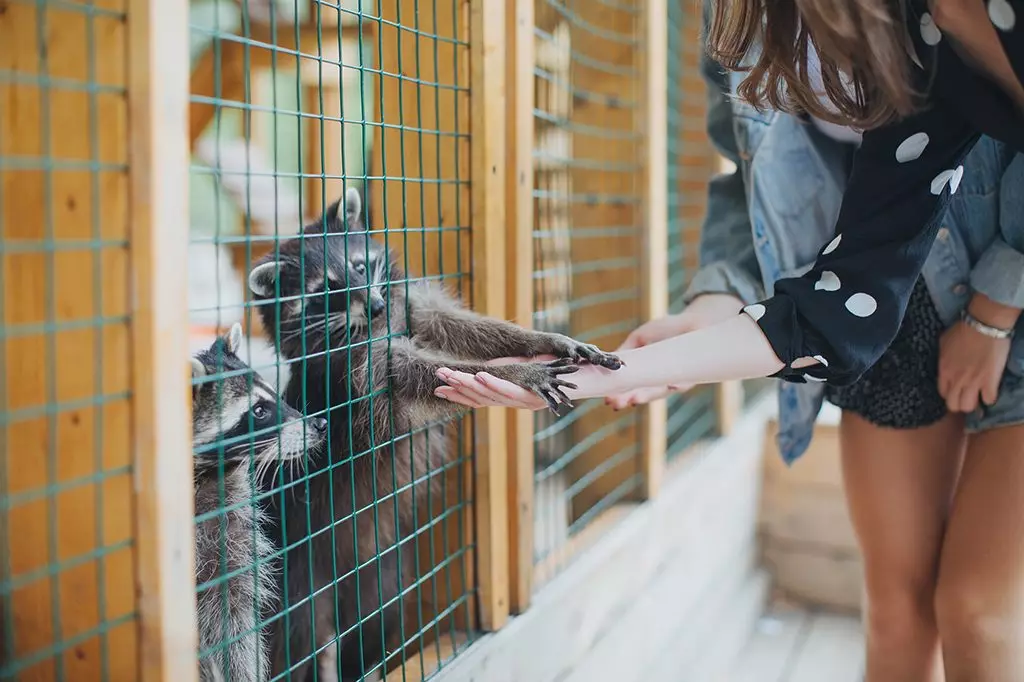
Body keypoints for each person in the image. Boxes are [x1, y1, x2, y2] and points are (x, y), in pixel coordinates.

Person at [435, 1, 1024, 680]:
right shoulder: (904, 48)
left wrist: (996, 304)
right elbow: (837, 290)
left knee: (981, 607)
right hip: (897, 303)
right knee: (899, 605)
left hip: (998, 275)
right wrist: (609, 370)